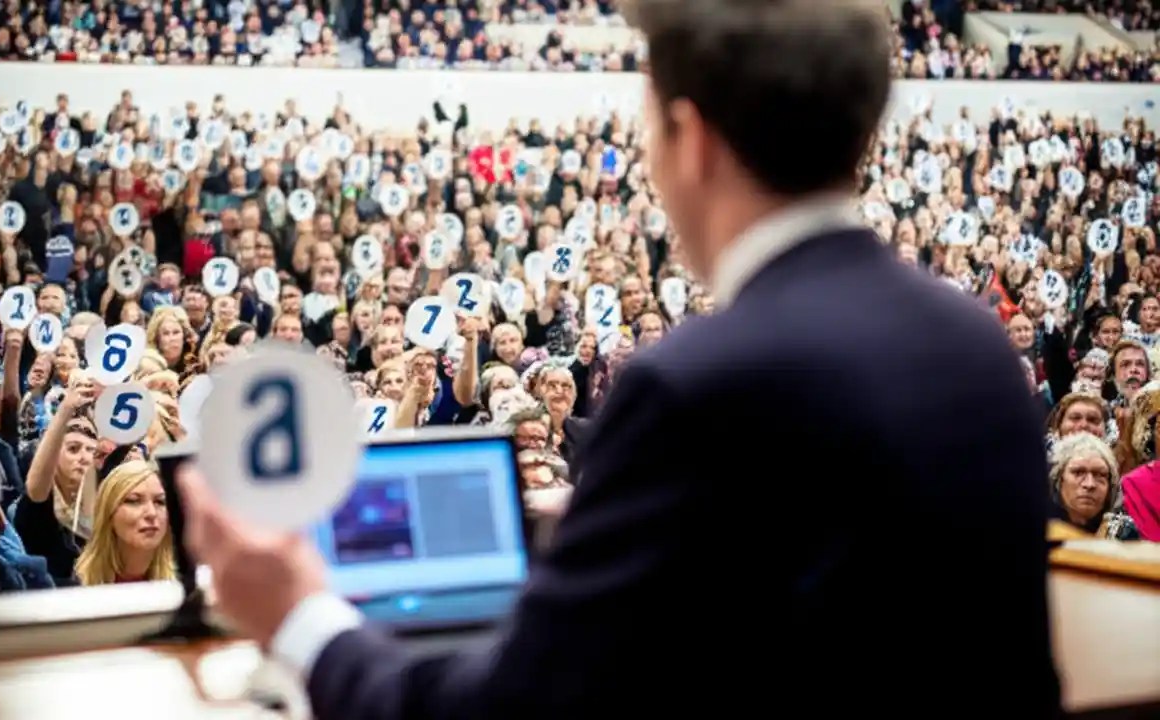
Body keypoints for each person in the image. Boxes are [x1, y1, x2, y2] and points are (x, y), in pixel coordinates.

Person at [178, 1, 1059, 717]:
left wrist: (299, 618)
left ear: (691, 137)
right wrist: (627, 515)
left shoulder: (694, 388)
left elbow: (509, 710)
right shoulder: (977, 345)